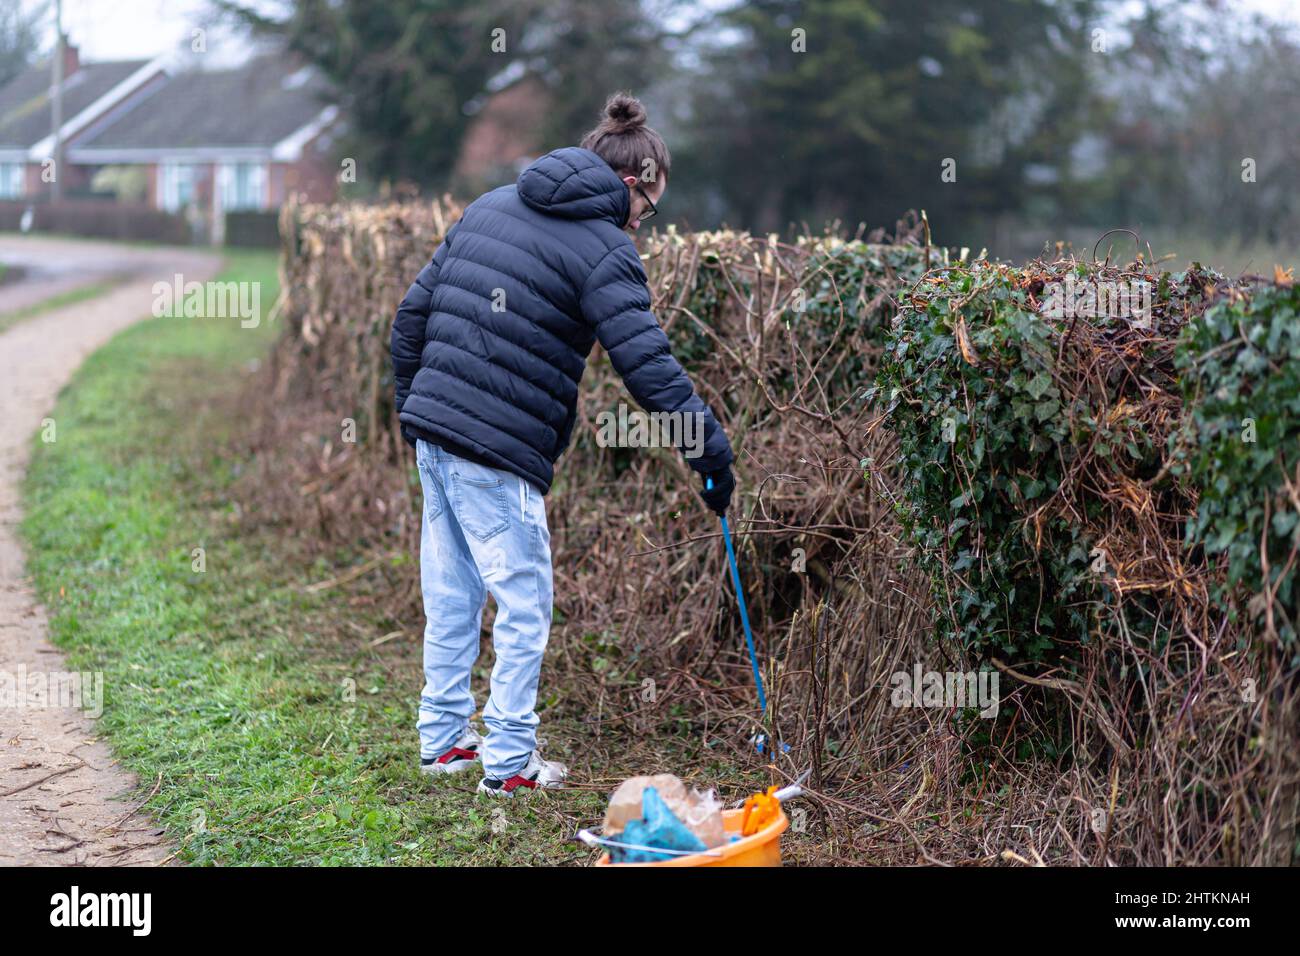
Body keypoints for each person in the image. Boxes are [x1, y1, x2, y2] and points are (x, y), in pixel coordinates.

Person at [390, 92, 735, 798]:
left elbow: (408, 320)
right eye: (650, 208)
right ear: (634, 183)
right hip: (498, 447)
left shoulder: (488, 206)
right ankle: (510, 761)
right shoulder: (605, 247)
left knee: (452, 588)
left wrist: (417, 414)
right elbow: (648, 369)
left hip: (436, 433)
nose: (644, 223)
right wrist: (712, 455)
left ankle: (446, 740)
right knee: (523, 600)